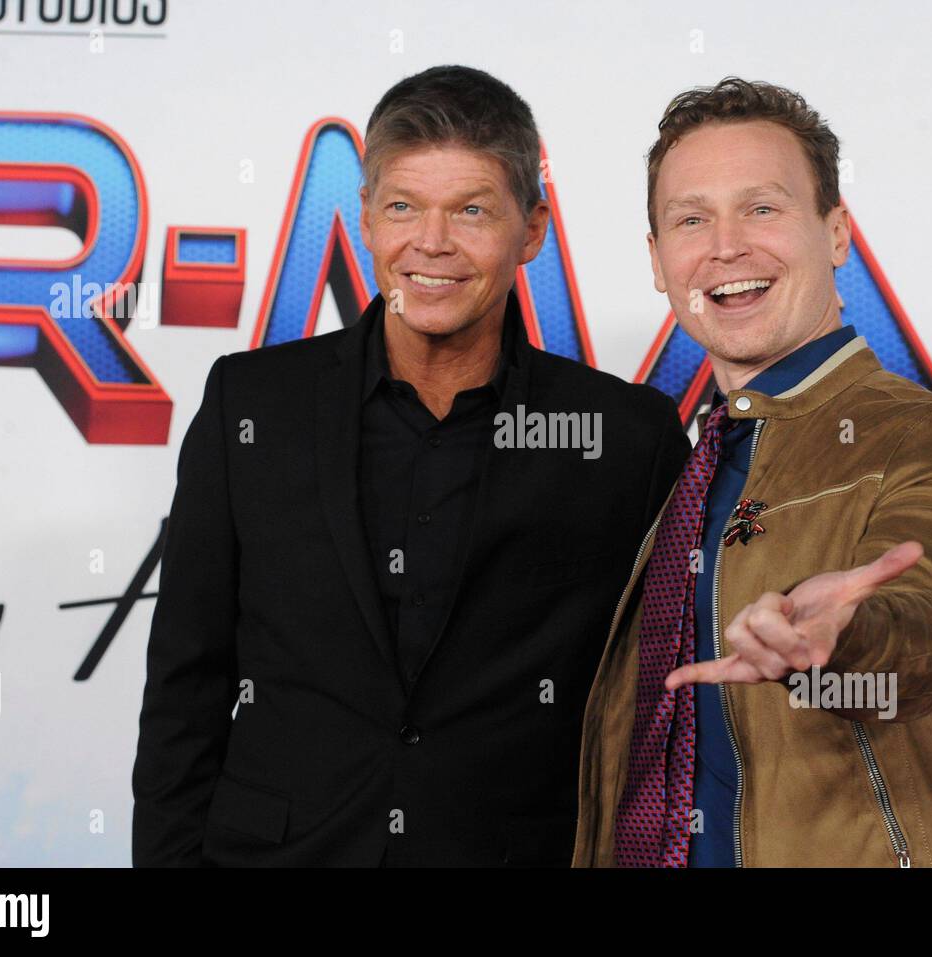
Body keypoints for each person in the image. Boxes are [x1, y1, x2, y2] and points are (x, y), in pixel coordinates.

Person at [131, 65, 689, 866]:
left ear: (532, 229)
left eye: (471, 210)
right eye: (403, 207)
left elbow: (664, 710)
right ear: (365, 217)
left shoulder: (623, 437)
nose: (432, 243)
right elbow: (185, 687)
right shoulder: (251, 406)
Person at [572, 78, 932, 867]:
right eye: (691, 219)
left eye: (762, 208)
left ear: (837, 233)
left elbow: (931, 626)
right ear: (657, 260)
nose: (726, 246)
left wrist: (845, 634)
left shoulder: (930, 435)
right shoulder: (688, 466)